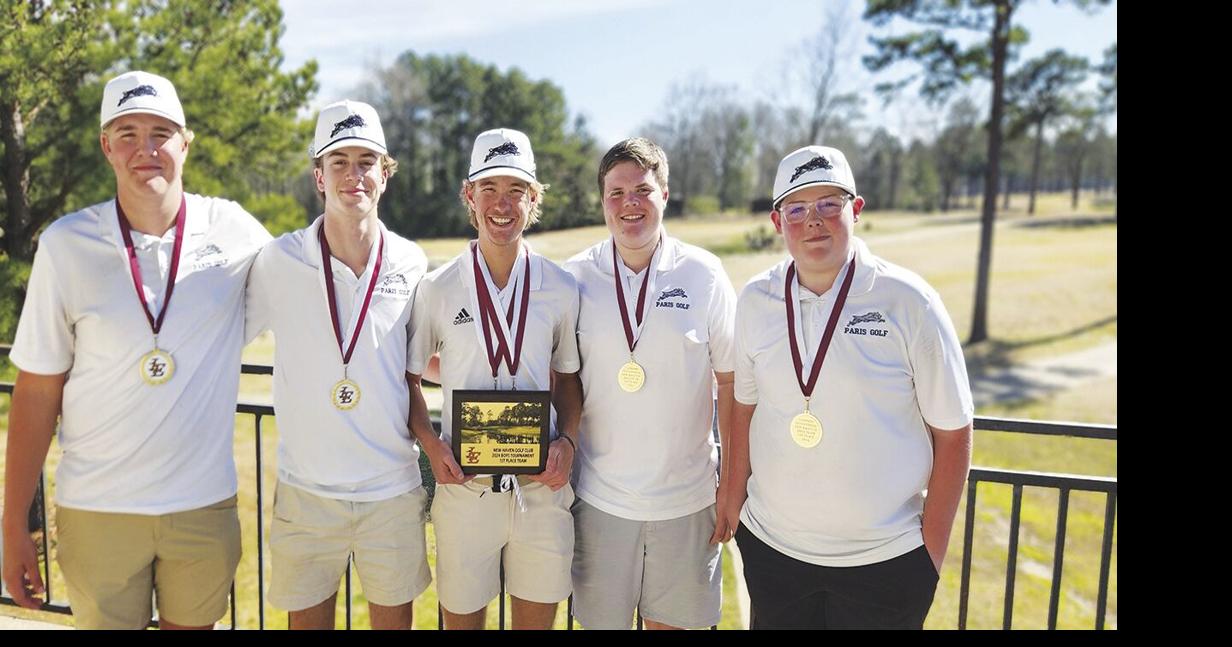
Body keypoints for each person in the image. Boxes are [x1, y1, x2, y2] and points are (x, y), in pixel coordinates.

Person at [2, 70, 271, 629]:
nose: (145, 150)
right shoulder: (66, 245)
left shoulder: (235, 231)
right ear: (106, 146)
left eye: (160, 133)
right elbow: (37, 391)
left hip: (202, 506)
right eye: (127, 134)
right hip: (98, 509)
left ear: (185, 144)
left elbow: (316, 291)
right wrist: (12, 525)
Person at [720, 145, 974, 630]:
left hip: (884, 563)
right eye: (797, 209)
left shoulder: (909, 302)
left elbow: (953, 431)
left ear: (856, 210)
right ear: (777, 222)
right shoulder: (756, 299)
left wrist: (929, 555)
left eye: (828, 204)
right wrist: (733, 497)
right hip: (775, 553)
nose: (813, 221)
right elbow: (744, 408)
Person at [246, 100, 431, 629]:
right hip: (306, 492)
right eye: (339, 162)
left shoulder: (410, 261)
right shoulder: (279, 261)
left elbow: (422, 357)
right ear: (319, 177)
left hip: (391, 489)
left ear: (385, 174)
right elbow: (220, 335)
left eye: (367, 161)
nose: (354, 175)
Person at [407, 128, 582, 630]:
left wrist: (568, 442)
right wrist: (430, 445)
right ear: (469, 195)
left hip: (540, 488)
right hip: (466, 490)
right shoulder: (437, 288)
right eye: (489, 188)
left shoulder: (560, 286)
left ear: (533, 199)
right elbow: (410, 379)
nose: (501, 204)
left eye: (515, 190)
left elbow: (569, 380)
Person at [563, 137, 736, 629]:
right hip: (600, 501)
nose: (629, 204)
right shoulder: (574, 277)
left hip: (688, 503)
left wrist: (732, 483)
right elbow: (560, 379)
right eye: (616, 193)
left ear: (665, 194)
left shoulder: (704, 273)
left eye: (642, 190)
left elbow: (732, 384)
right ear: (602, 201)